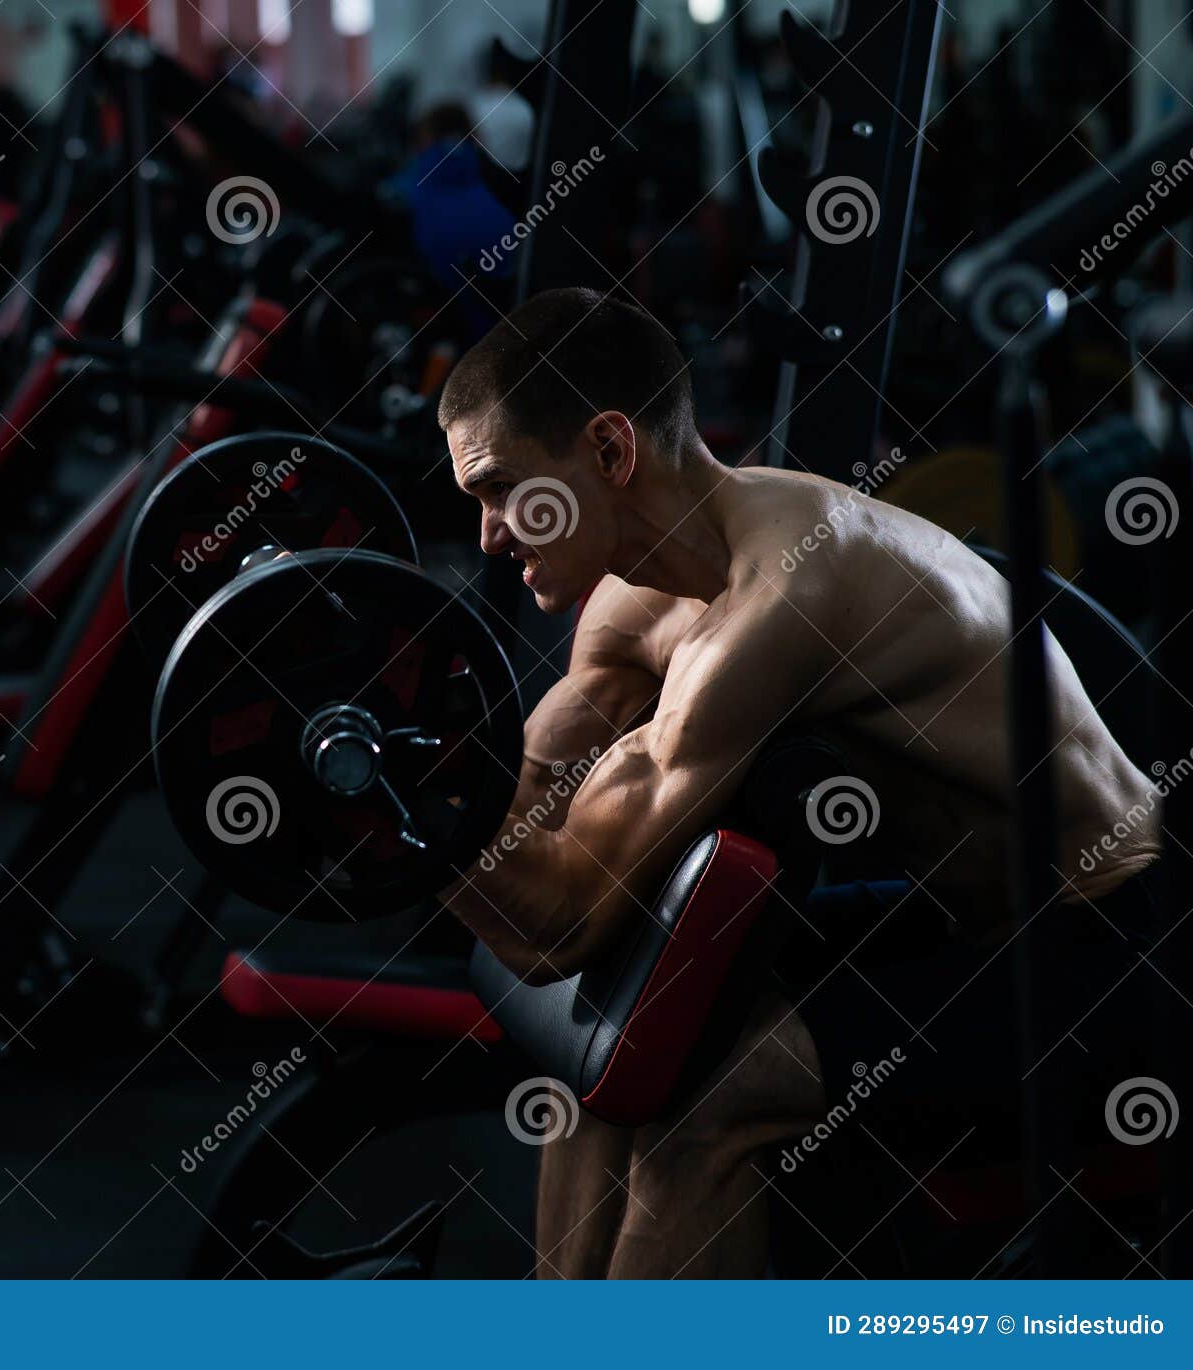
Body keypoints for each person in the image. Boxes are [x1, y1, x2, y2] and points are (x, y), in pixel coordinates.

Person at [438, 287, 1166, 1278]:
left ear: (609, 452)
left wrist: (397, 816)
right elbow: (531, 813)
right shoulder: (629, 595)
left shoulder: (786, 585)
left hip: (1123, 942)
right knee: (630, 1048)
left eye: (497, 488)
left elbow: (557, 914)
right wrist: (418, 798)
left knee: (717, 1093)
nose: (486, 533)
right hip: (966, 919)